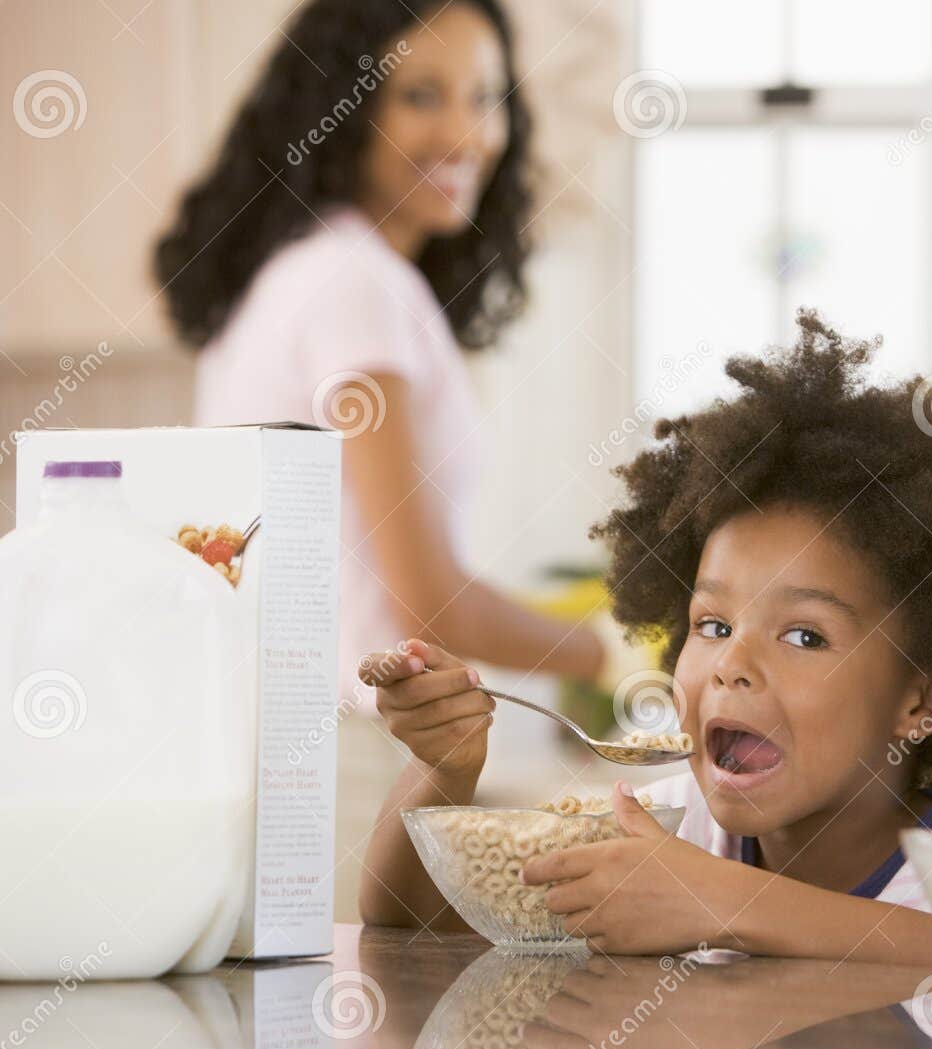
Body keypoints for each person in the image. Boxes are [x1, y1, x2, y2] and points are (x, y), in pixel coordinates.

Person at [358, 311, 932, 963]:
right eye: (713, 625)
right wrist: (443, 772)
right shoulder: (671, 827)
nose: (731, 664)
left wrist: (719, 900)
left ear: (922, 698)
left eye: (805, 635)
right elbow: (405, 914)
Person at [154, 0, 602, 696]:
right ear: (343, 109)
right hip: (350, 747)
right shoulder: (357, 284)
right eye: (421, 96)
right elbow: (431, 607)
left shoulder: (302, 267)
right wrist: (611, 653)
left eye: (486, 97)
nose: (466, 134)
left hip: (287, 730)